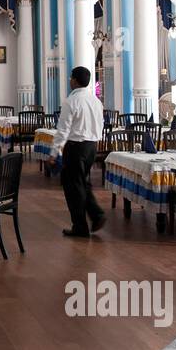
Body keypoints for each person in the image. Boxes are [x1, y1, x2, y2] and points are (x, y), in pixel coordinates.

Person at [48, 66, 107, 238]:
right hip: (91, 147)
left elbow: (63, 129)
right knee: (81, 182)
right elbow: (100, 124)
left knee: (72, 186)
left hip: (75, 147)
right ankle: (96, 215)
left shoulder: (71, 102)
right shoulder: (96, 101)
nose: (69, 81)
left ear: (74, 80)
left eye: (70, 78)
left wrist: (53, 153)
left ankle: (80, 226)